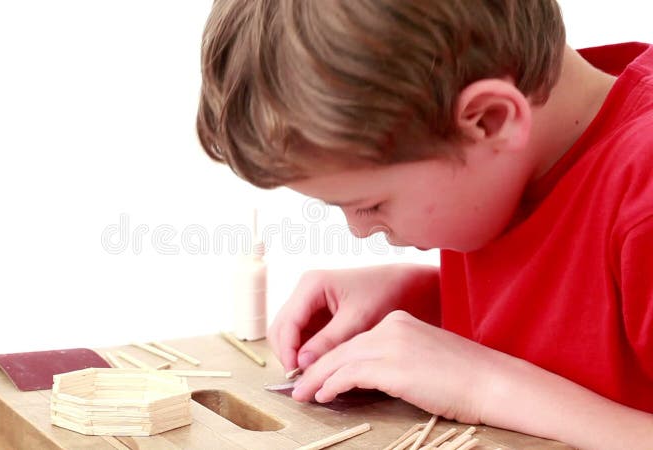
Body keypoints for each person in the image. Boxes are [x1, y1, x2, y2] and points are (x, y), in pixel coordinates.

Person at [195, 1, 653, 448]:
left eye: (370, 204)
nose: (360, 231)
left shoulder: (643, 193)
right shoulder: (506, 169)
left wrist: (482, 385)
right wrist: (428, 298)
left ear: (490, 120)